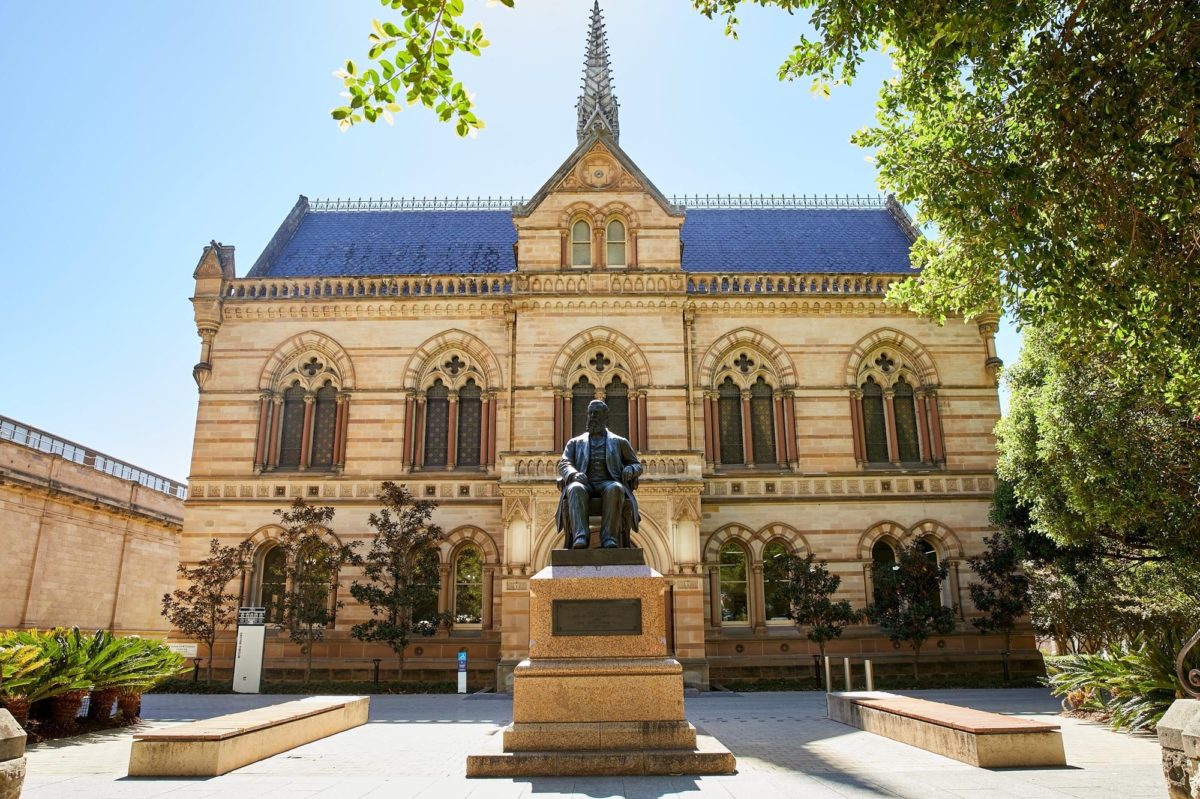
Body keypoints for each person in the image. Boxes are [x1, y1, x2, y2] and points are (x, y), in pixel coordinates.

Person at [555, 400, 642, 549]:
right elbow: (564, 463)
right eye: (590, 413)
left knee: (615, 488)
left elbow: (636, 464)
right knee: (575, 488)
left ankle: (609, 538)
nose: (592, 416)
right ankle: (580, 536)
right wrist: (574, 474)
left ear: (605, 417)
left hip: (607, 482)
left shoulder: (619, 442)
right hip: (584, 483)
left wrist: (630, 469)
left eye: (596, 413)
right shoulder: (574, 443)